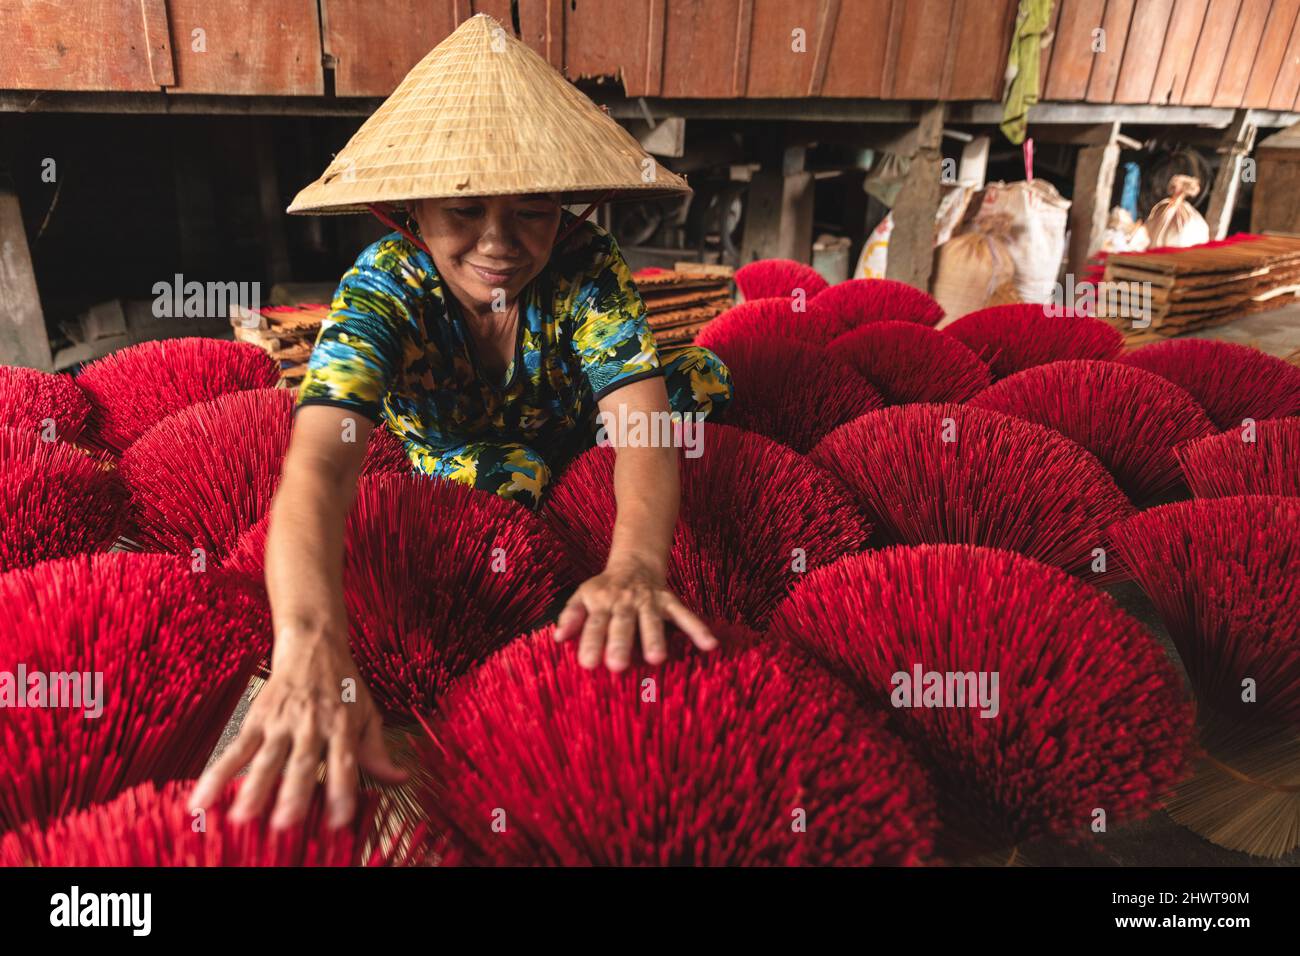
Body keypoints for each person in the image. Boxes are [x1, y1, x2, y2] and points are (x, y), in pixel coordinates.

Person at [190, 14, 731, 830]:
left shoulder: (587, 265)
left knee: (702, 380)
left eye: (533, 210)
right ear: (410, 212)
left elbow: (642, 425)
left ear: (568, 209)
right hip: (459, 454)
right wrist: (306, 638)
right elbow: (321, 463)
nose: (500, 243)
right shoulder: (383, 287)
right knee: (505, 471)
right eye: (465, 209)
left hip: (575, 428)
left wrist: (634, 567)